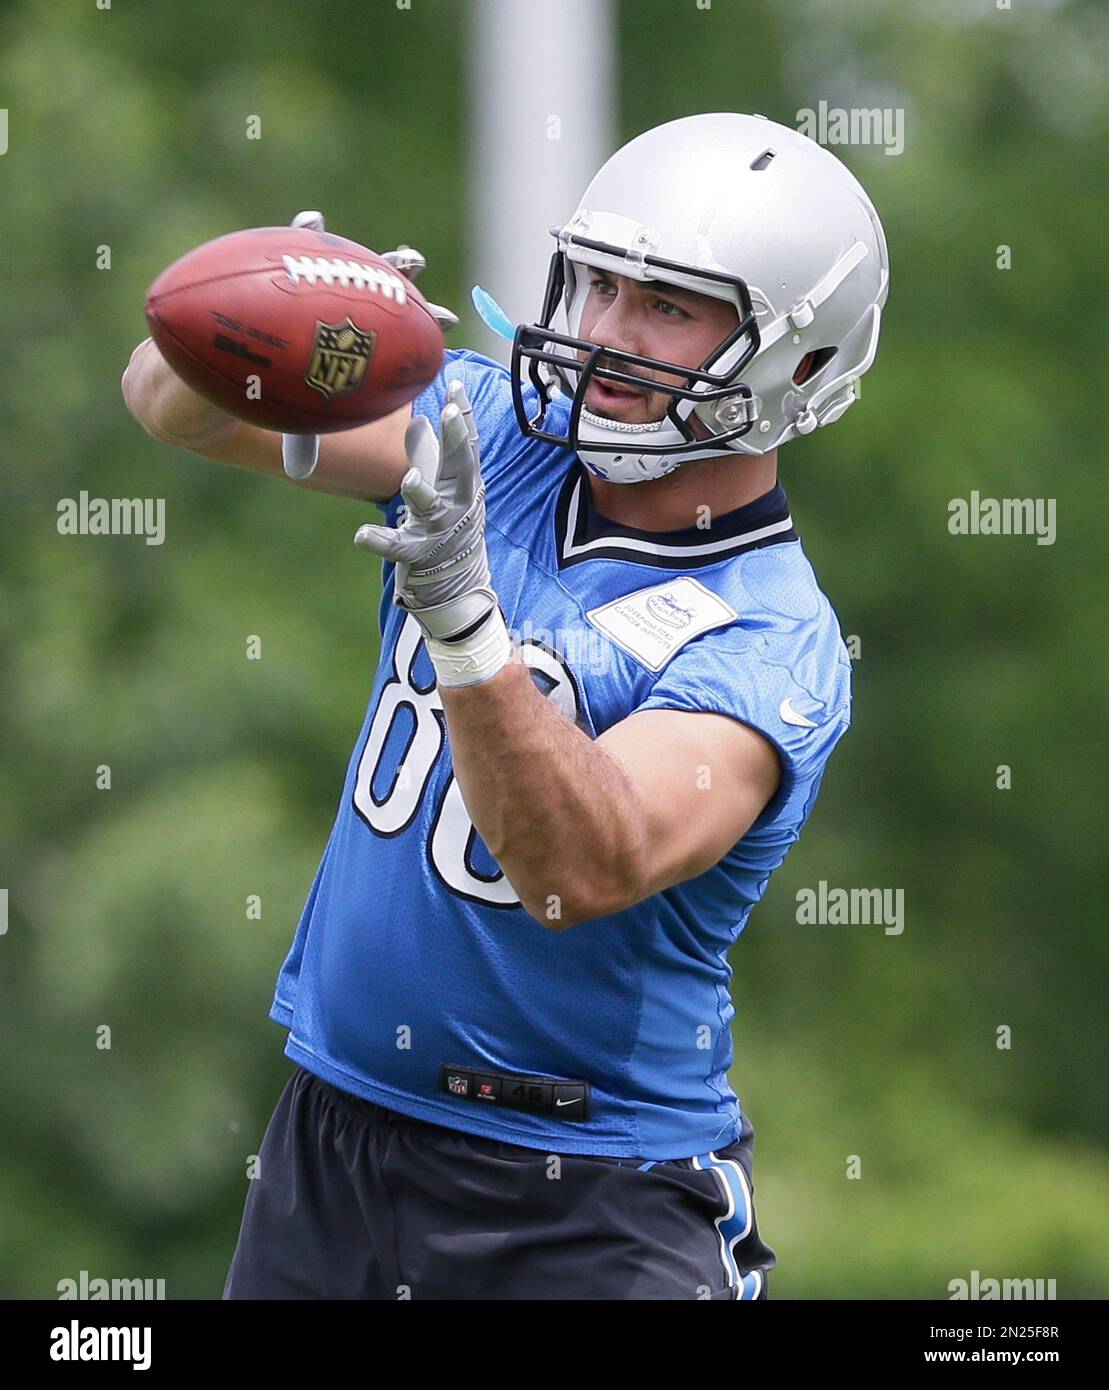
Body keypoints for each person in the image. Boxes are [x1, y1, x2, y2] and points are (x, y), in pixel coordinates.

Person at [121, 111, 889, 1300]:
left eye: (665, 307)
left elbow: (574, 865)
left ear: (794, 361)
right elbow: (177, 409)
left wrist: (467, 619)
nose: (603, 334)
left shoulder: (770, 636)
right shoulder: (508, 439)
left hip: (581, 1202)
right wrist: (263, 318)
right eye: (596, 283)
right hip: (333, 1140)